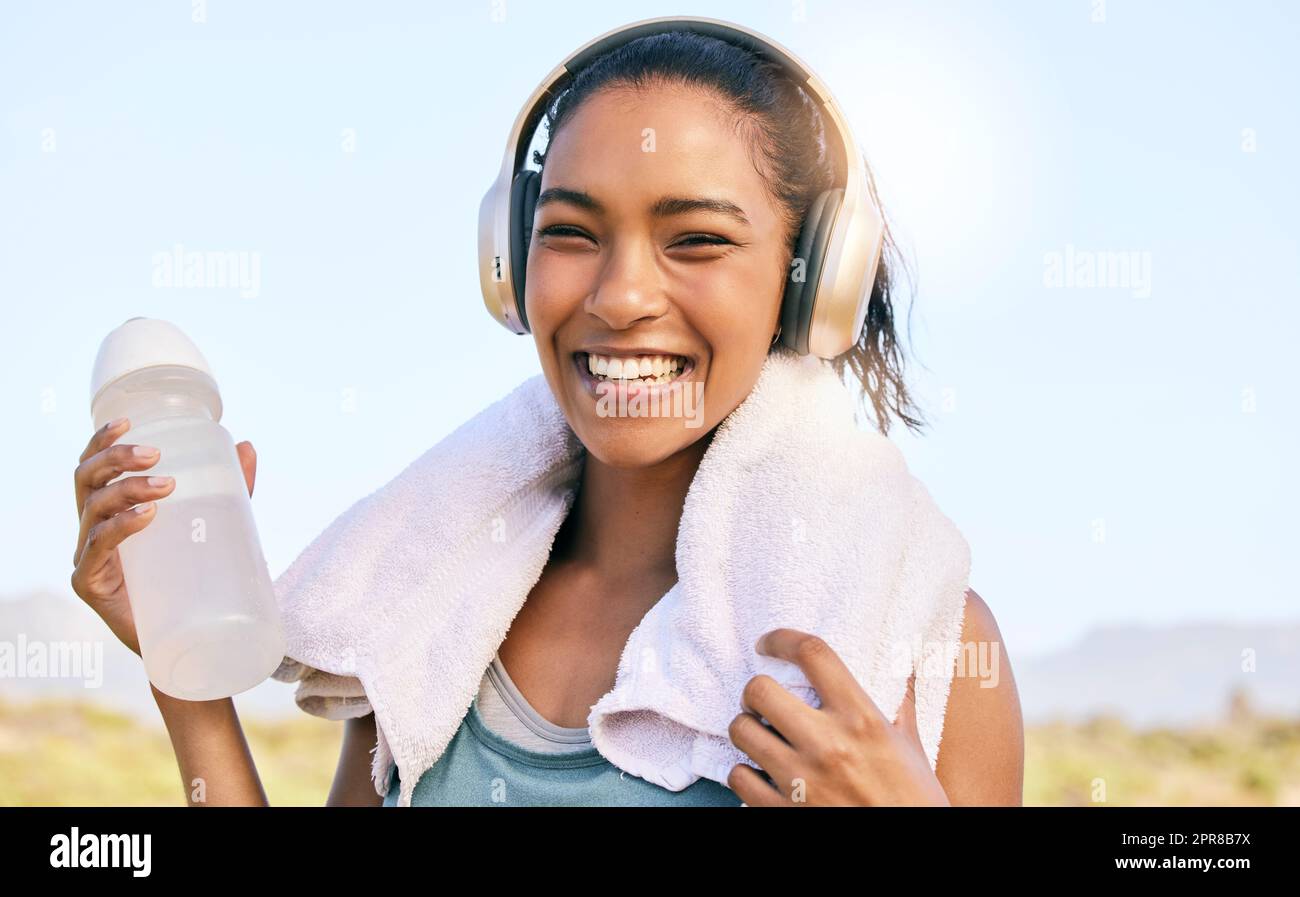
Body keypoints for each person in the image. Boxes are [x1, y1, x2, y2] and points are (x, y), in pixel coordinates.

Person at [70, 22, 1023, 806]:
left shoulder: (914, 641)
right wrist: (182, 669)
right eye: (570, 232)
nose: (619, 296)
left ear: (813, 281)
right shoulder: (432, 607)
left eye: (695, 239)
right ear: (509, 262)